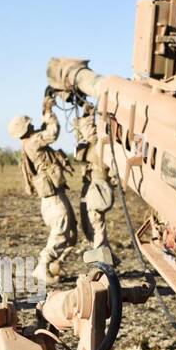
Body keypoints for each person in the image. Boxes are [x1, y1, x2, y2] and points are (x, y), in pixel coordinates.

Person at [9, 96, 76, 286]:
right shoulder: (33, 142)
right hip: (53, 198)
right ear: (26, 129)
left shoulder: (29, 142)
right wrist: (48, 113)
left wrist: (46, 113)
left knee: (71, 233)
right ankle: (43, 265)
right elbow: (52, 132)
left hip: (54, 194)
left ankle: (55, 264)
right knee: (61, 231)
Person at [74, 104, 117, 267]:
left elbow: (90, 134)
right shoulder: (104, 143)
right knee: (93, 227)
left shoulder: (100, 143)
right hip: (97, 187)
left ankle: (101, 265)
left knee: (96, 227)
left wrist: (88, 117)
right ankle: (109, 260)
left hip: (98, 188)